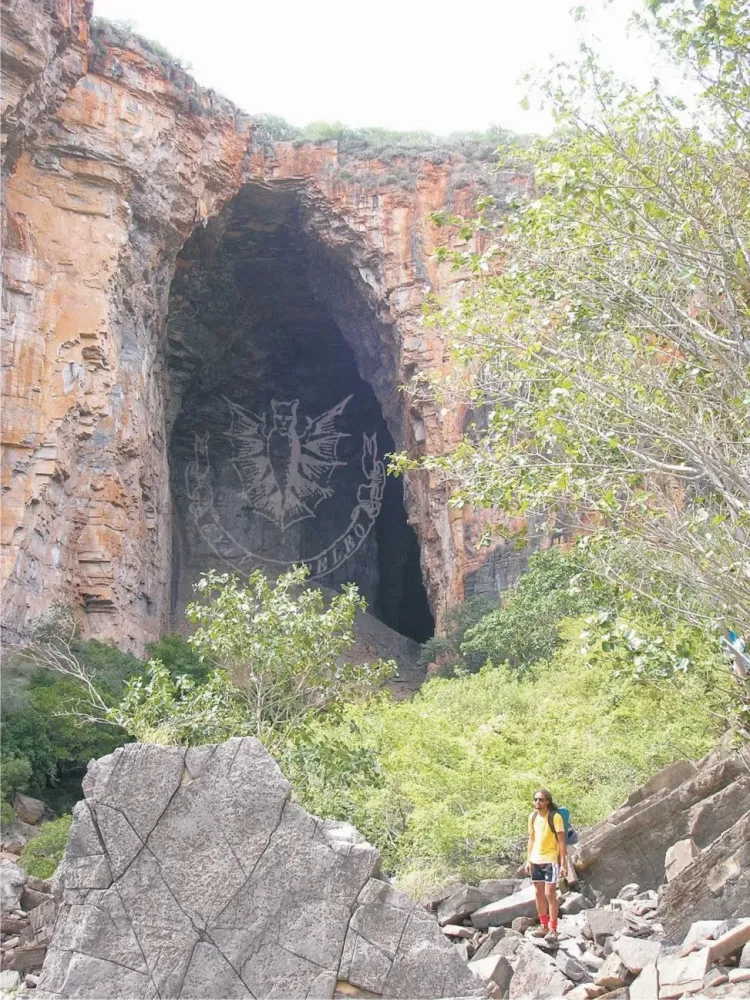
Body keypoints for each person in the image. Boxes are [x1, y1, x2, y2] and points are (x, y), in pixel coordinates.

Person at [524, 788, 568, 942]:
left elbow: (562, 841)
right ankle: (543, 926)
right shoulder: (533, 816)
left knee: (550, 894)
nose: (537, 802)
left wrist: (563, 863)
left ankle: (553, 928)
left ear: (547, 801)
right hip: (536, 860)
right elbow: (532, 839)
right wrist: (528, 860)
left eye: (541, 799)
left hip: (550, 860)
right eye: (535, 799)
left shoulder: (555, 817)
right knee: (538, 894)